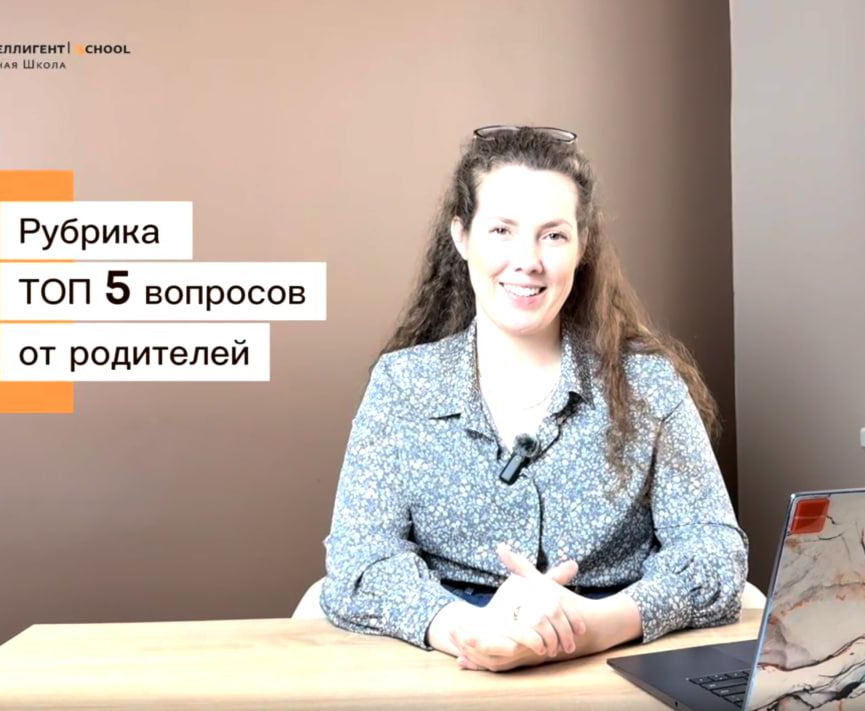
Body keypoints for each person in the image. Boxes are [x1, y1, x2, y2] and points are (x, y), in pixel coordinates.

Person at [320, 125, 748, 672]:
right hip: (447, 661)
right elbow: (359, 558)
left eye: (553, 236)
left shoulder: (649, 383)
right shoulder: (402, 384)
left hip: (612, 653)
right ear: (462, 237)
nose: (527, 260)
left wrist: (596, 627)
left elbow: (715, 552)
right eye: (502, 230)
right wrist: (464, 629)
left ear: (582, 246)